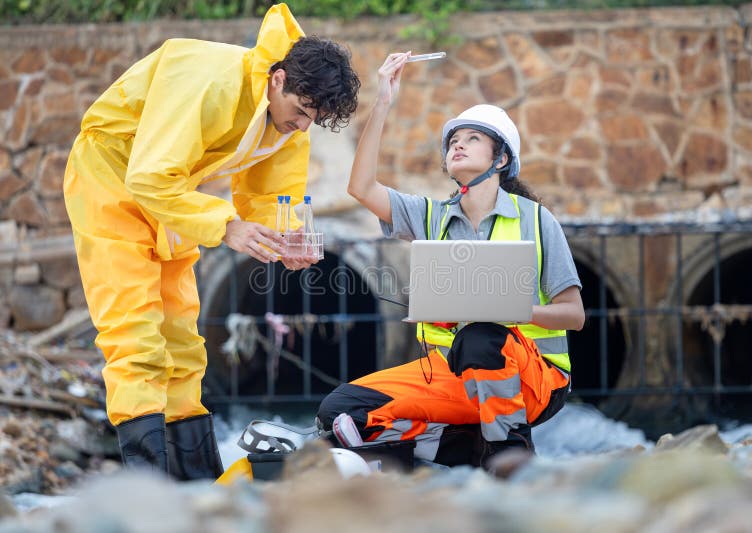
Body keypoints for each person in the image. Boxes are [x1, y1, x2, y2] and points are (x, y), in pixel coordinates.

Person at [63, 3, 360, 479]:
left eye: (313, 120)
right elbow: (149, 175)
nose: (303, 126)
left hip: (176, 195)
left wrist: (284, 242)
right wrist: (228, 227)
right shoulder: (211, 81)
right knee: (135, 331)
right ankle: (150, 488)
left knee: (182, 335)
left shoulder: (289, 123)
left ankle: (197, 482)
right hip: (112, 177)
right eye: (301, 112)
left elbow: (268, 196)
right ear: (278, 78)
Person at [316, 52, 584, 468]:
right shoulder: (432, 217)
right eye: (453, 141)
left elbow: (574, 316)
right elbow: (362, 186)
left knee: (481, 334)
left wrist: (507, 310)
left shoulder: (536, 220)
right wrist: (383, 99)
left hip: (534, 380)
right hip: (452, 375)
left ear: (501, 160)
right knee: (340, 410)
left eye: (472, 138)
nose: (457, 144)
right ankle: (470, 449)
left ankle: (509, 455)